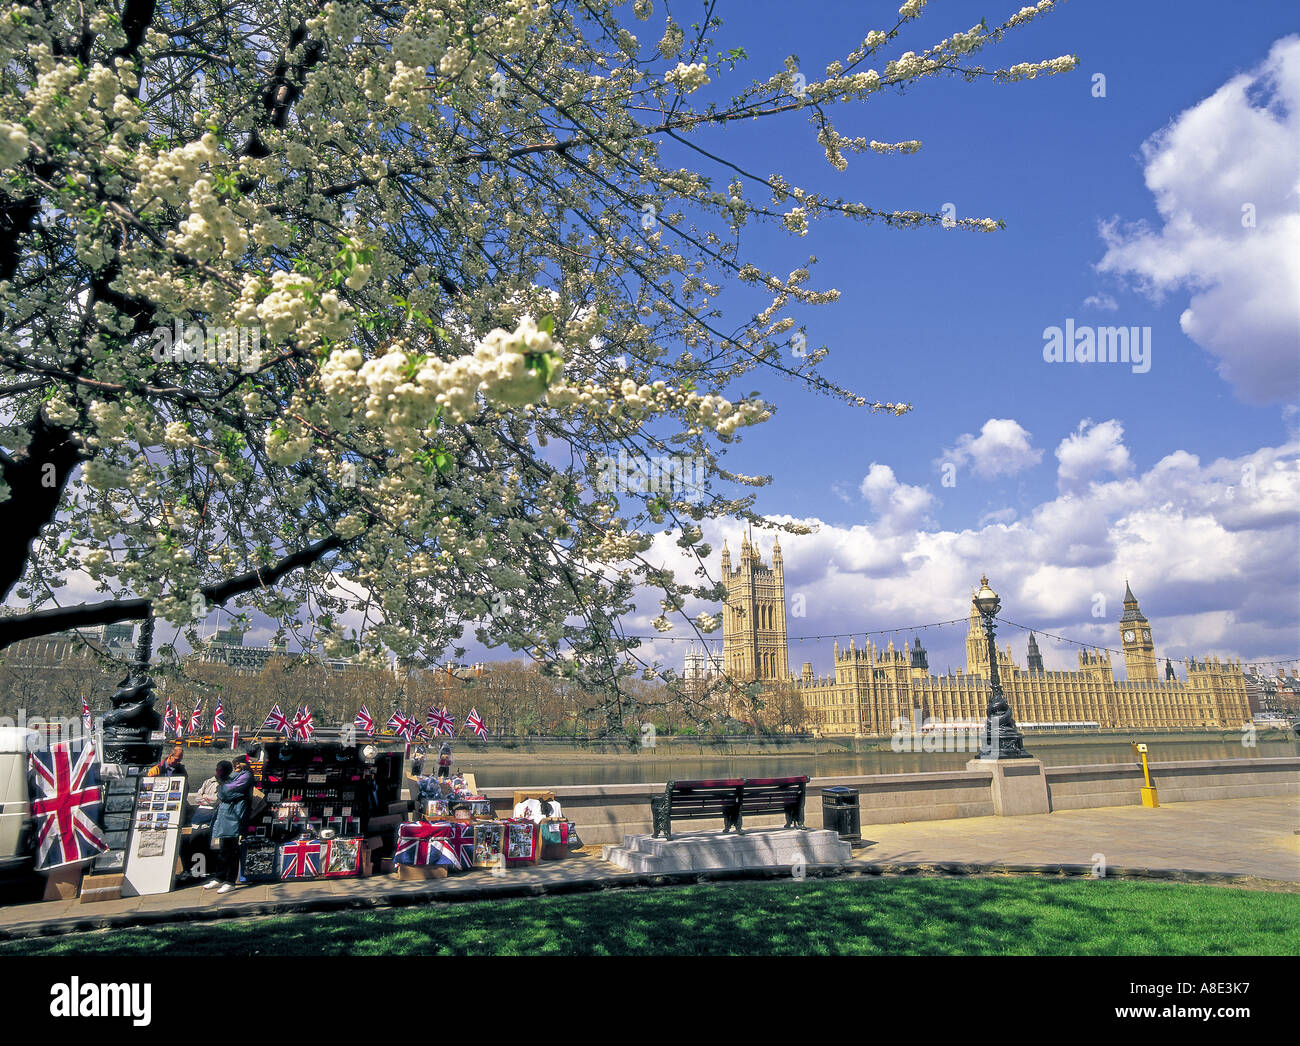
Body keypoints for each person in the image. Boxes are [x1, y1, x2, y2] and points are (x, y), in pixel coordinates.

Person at [203, 757, 251, 894]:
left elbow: (225, 793)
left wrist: (223, 790)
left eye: (238, 763)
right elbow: (224, 792)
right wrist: (223, 790)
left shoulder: (246, 776)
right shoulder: (235, 777)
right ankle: (219, 877)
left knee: (232, 850)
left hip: (234, 817)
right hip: (227, 817)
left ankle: (230, 881)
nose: (236, 765)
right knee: (224, 849)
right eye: (234, 763)